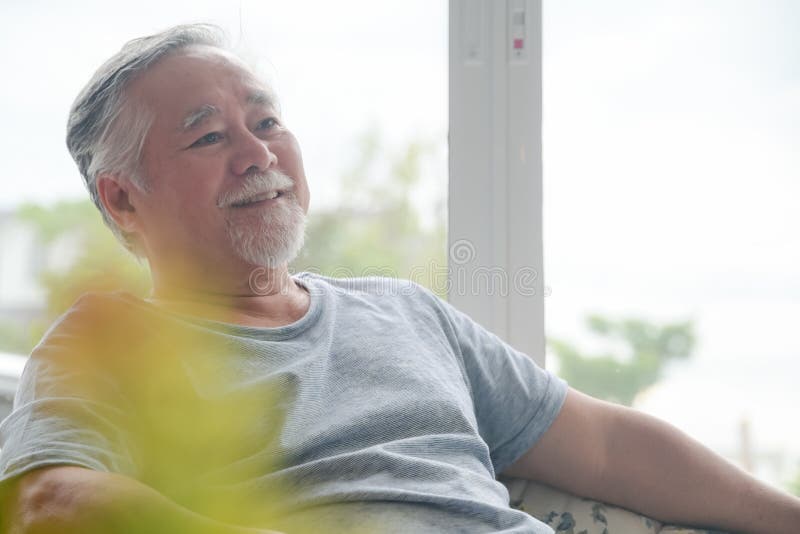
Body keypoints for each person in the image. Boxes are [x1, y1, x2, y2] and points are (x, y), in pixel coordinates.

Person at [0, 24, 798, 534]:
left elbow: (605, 442)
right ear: (122, 198)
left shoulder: (403, 311)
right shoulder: (108, 343)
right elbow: (50, 501)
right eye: (209, 136)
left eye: (267, 120)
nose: (259, 153)